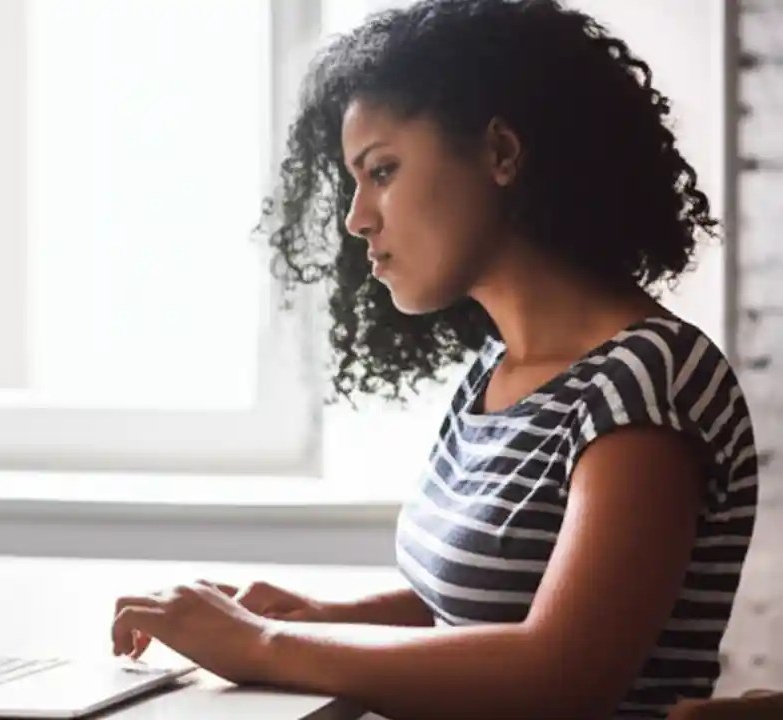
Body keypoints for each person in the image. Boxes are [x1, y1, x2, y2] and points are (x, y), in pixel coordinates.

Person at [108, 1, 759, 718]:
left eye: (381, 170)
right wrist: (315, 617)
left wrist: (264, 642)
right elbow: (471, 612)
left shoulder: (649, 378)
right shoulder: (495, 369)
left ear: (501, 154)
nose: (357, 216)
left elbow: (560, 676)